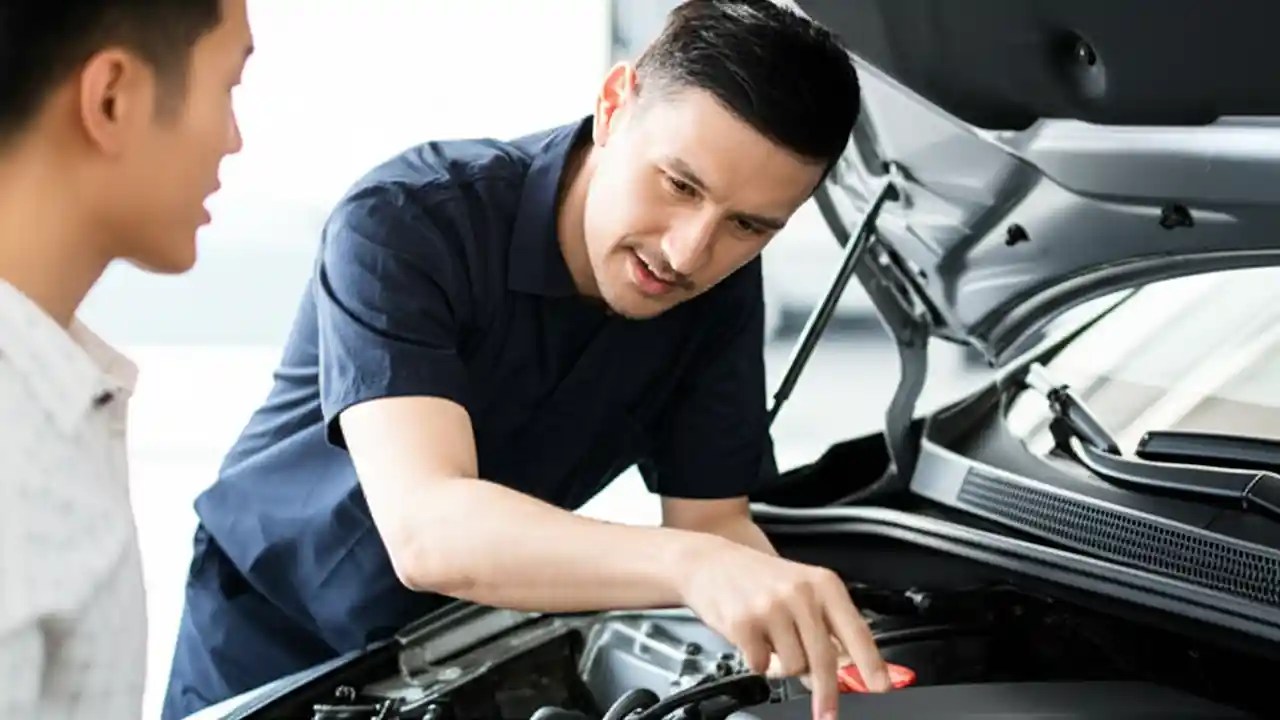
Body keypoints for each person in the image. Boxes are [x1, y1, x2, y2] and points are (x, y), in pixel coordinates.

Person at [163, 2, 884, 719]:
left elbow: (712, 522)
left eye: (748, 225)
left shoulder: (716, 292)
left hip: (468, 639)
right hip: (267, 635)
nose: (690, 252)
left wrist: (800, 630)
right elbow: (428, 530)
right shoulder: (408, 221)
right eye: (679, 185)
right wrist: (693, 568)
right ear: (613, 106)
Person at [0, 1, 253, 718]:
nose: (234, 140)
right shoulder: (14, 447)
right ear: (111, 98)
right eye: (229, 86)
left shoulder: (57, 391)